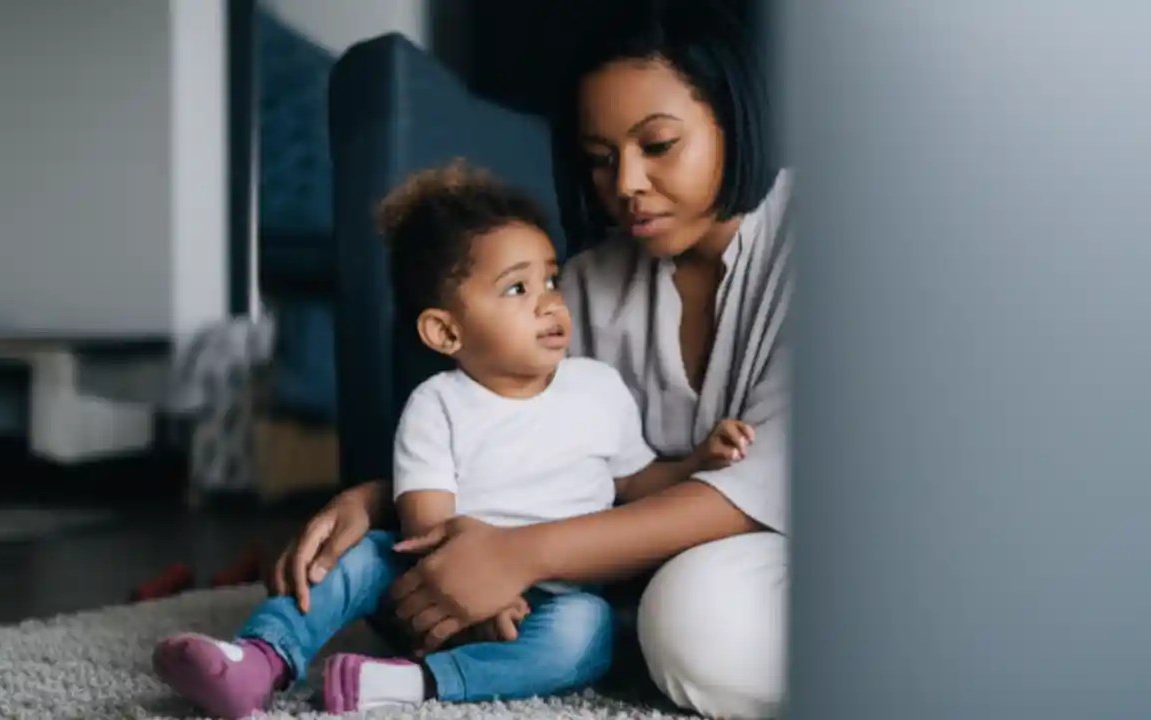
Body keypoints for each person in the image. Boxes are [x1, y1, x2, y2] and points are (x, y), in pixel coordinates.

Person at [269, 2, 791, 718]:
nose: (626, 184)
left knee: (696, 623)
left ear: (733, 119)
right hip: (667, 562)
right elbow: (515, 431)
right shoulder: (583, 287)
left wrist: (525, 555)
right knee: (435, 588)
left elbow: (771, 487)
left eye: (659, 145)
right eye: (601, 160)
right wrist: (378, 498)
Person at [150, 163, 751, 719]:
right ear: (445, 330)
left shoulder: (598, 388)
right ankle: (258, 658)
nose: (549, 302)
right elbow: (425, 522)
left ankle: (408, 684)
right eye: (518, 289)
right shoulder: (438, 404)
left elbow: (636, 483)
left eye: (550, 278)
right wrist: (473, 596)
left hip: (548, 596)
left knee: (586, 634)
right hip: (436, 580)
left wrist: (699, 461)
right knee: (354, 560)